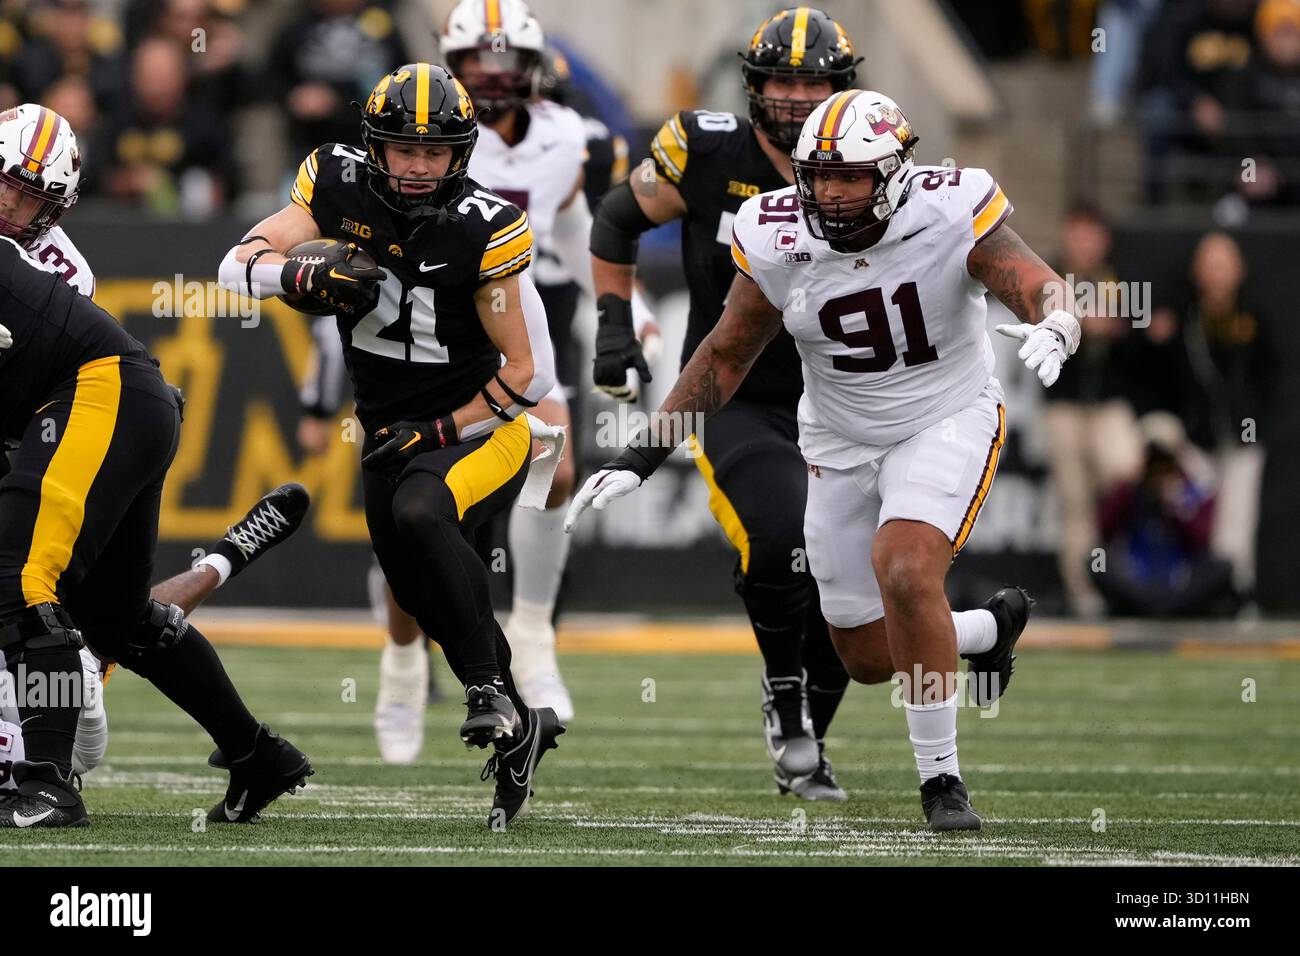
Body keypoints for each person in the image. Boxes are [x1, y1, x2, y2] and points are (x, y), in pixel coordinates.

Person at [570, 89, 1053, 831]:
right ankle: (988, 629)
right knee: (861, 651)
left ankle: (942, 782)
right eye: (817, 174)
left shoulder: (950, 208)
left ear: (892, 172)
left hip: (945, 415)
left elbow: (1030, 279)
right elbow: (726, 354)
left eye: (849, 176)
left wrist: (1058, 319)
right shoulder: (778, 233)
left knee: (904, 567)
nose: (828, 191)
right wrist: (641, 454)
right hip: (836, 438)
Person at [218, 63, 565, 829]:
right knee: (423, 591)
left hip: (481, 425)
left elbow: (523, 372)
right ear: (373, 147)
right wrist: (296, 277)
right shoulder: (334, 183)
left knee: (420, 512)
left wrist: (438, 432)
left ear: (460, 154)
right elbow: (233, 268)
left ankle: (487, 692)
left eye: (433, 152)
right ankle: (521, 732)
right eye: (402, 150)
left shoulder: (486, 224)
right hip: (385, 432)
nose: (416, 166)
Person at [588, 6, 864, 801]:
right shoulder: (706, 151)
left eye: (815, 81)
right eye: (784, 79)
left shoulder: (874, 161)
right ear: (753, 85)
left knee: (854, 582)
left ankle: (812, 729)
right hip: (738, 396)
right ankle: (785, 698)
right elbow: (616, 218)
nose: (800, 96)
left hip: (852, 405)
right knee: (782, 535)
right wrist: (614, 324)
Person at [442, 0, 659, 724]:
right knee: (431, 517)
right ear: (453, 64)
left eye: (506, 60)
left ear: (533, 67)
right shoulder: (428, 132)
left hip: (516, 328)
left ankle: (533, 640)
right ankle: (422, 663)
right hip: (429, 332)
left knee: (555, 462)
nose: (493, 75)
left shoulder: (572, 139)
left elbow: (580, 231)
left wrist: (629, 311)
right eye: (478, 61)